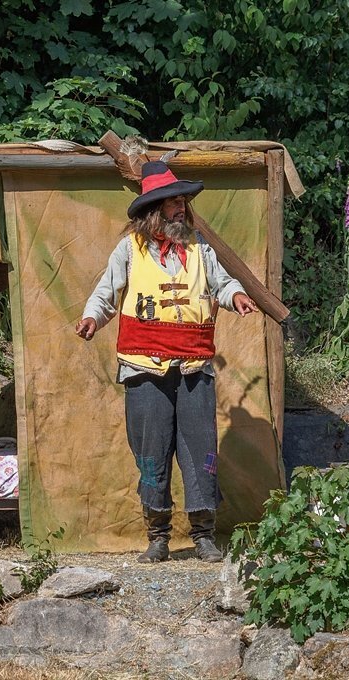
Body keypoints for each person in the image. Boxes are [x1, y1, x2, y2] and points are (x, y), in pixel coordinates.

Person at [75, 161, 258, 563]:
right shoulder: (129, 250)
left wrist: (236, 296)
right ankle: (157, 536)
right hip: (143, 367)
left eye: (183, 203)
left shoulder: (199, 249)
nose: (182, 210)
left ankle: (203, 535)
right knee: (151, 451)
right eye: (174, 203)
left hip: (194, 368)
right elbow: (106, 293)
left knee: (200, 449)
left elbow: (222, 283)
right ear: (154, 210)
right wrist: (92, 317)